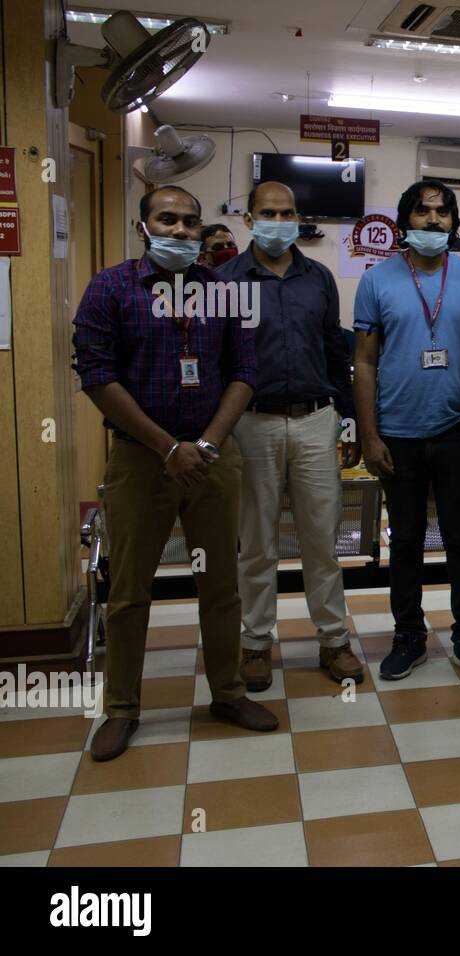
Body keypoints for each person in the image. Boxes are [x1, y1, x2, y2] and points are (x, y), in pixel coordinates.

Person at [73, 185, 278, 761]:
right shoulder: (110, 288)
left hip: (213, 459)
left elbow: (244, 371)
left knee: (220, 585)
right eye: (168, 220)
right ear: (144, 227)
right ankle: (121, 709)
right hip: (142, 460)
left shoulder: (224, 293)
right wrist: (167, 447)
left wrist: (208, 441)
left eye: (191, 222)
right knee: (129, 589)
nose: (182, 232)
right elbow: (95, 375)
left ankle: (228, 694)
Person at [219, 181, 361, 691]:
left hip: (314, 420)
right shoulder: (225, 280)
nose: (278, 220)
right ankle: (256, 642)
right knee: (256, 542)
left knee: (322, 537)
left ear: (298, 217)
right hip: (251, 423)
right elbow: (218, 362)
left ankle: (333, 639)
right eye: (267, 212)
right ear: (249, 219)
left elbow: (334, 350)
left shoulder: (318, 277)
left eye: (287, 212)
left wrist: (348, 419)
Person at [354, 179, 460, 682]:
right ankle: (408, 635)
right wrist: (369, 437)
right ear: (404, 221)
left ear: (455, 223)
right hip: (398, 434)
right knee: (406, 541)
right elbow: (365, 364)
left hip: (456, 429)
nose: (432, 221)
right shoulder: (377, 281)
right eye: (422, 212)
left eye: (442, 213)